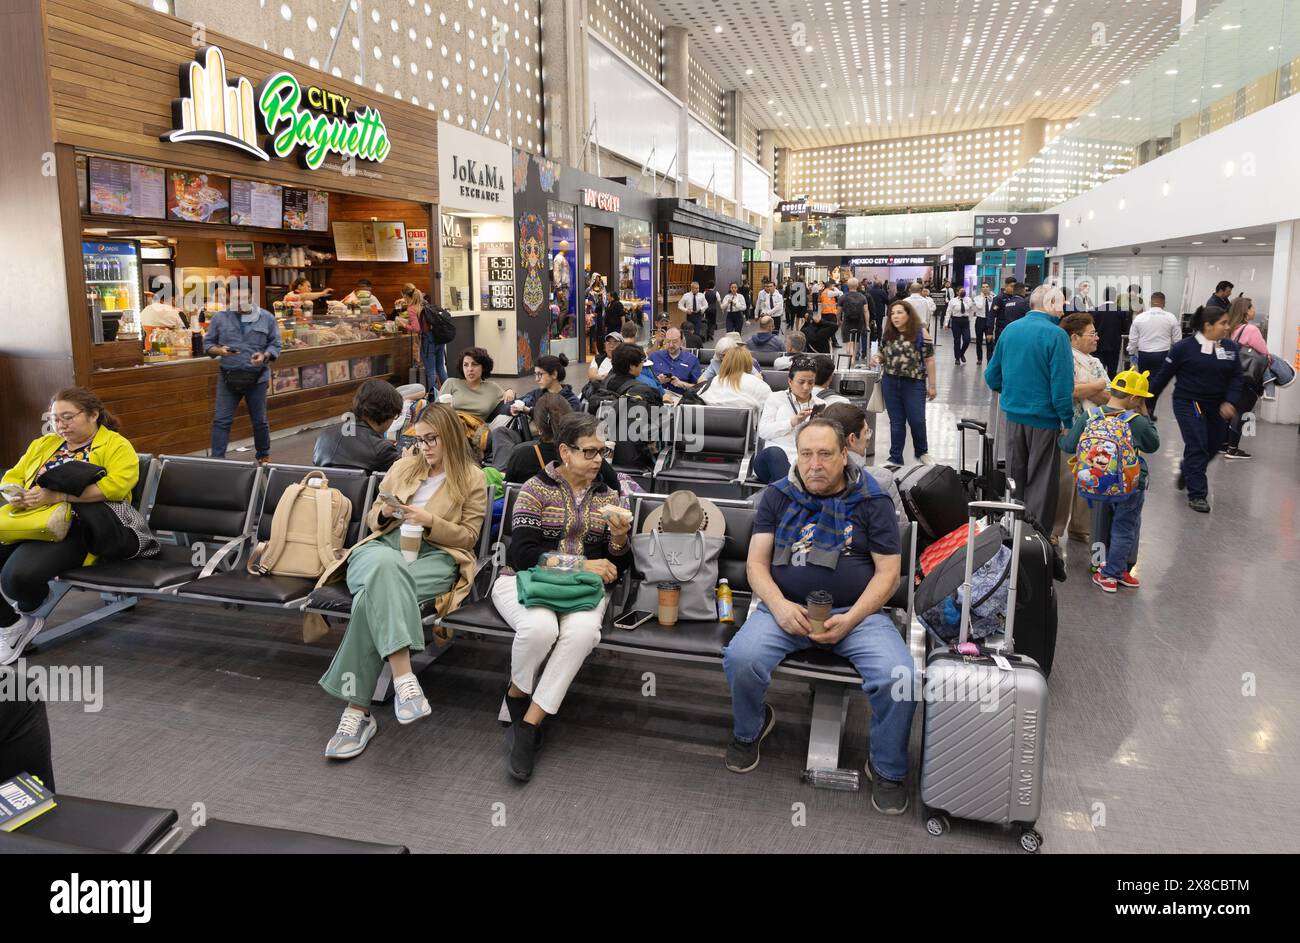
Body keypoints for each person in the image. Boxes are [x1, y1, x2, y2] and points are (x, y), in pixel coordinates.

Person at [722, 418, 911, 814]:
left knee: (899, 677)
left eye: (825, 454)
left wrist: (854, 616)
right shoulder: (777, 496)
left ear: (845, 455)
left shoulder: (873, 501)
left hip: (858, 613)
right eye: (806, 454)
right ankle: (750, 729)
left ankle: (888, 767)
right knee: (742, 658)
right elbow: (757, 565)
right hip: (786, 608)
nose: (814, 464)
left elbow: (888, 574)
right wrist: (778, 605)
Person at [318, 403, 486, 759]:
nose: (424, 447)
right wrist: (385, 511)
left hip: (436, 554)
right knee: (385, 566)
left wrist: (429, 521)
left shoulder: (472, 479)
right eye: (420, 440)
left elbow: (469, 537)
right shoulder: (404, 466)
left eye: (431, 439)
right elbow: (372, 518)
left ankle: (357, 712)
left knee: (370, 600)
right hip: (382, 547)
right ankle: (404, 680)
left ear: (450, 437)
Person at [493, 413, 632, 781]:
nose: (598, 459)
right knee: (540, 630)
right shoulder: (535, 489)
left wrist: (618, 540)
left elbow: (618, 565)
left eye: (602, 451)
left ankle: (528, 724)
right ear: (565, 452)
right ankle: (517, 691)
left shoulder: (610, 496)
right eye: (589, 451)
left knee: (584, 633)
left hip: (582, 593)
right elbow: (523, 554)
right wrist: (582, 564)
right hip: (526, 580)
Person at [0, 388, 139, 665]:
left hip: (81, 528)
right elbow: (13, 475)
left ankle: (28, 607)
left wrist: (58, 496)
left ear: (93, 414)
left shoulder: (115, 445)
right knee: (15, 576)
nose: (60, 425)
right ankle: (11, 624)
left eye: (68, 417)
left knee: (17, 578)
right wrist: (15, 493)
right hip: (32, 521)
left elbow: (115, 487)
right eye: (54, 418)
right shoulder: (43, 444)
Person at [1058, 370, 1159, 593]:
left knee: (1099, 525)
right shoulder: (1137, 421)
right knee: (1126, 527)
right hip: (1131, 485)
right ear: (1134, 398)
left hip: (1098, 481)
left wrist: (1061, 437)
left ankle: (1098, 564)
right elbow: (1153, 445)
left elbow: (1067, 446)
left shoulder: (1090, 416)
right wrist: (1145, 415)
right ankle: (1115, 572)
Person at [984, 285, 1075, 528]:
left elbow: (992, 376)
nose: (1063, 310)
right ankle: (1035, 538)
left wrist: (1014, 392)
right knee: (1042, 483)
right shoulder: (1057, 335)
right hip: (1045, 419)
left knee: (1015, 478)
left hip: (1013, 416)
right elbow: (1061, 385)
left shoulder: (1010, 331)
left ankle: (1012, 529)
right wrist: (1067, 420)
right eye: (1061, 304)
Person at [1148, 307, 1244, 513]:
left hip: (1217, 405)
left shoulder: (1230, 347)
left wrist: (1231, 401)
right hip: (1189, 402)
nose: (1227, 327)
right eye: (1223, 323)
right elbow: (1163, 377)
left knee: (1213, 445)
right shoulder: (1184, 348)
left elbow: (1237, 376)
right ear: (1208, 325)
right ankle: (1198, 494)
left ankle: (1187, 468)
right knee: (1198, 443)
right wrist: (1146, 402)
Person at [205, 281, 281, 464]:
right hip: (228, 377)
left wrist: (265, 355)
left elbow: (276, 344)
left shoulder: (267, 318)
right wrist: (219, 351)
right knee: (221, 421)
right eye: (235, 298)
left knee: (260, 421)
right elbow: (207, 344)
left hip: (257, 378)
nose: (238, 303)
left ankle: (263, 455)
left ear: (251, 297)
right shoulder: (219, 318)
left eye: (243, 298)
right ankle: (217, 460)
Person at [1053, 313, 1110, 546]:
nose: (1096, 338)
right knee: (1064, 481)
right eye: (1092, 334)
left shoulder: (1095, 363)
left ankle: (1081, 527)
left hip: (1094, 430)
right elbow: (1068, 391)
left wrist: (1088, 388)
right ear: (1074, 337)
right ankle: (1055, 529)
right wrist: (1096, 386)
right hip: (1068, 428)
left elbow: (1109, 397)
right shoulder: (1064, 359)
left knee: (1090, 477)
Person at [871, 300, 936, 470]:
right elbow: (883, 353)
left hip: (914, 383)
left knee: (917, 420)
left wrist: (932, 385)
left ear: (908, 314)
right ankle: (895, 458)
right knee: (896, 422)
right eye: (892, 313)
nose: (895, 316)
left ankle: (922, 452)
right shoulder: (888, 334)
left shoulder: (921, 332)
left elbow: (929, 360)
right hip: (890, 382)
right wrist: (877, 358)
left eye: (899, 312)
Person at [754, 356, 824, 483]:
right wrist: (792, 422)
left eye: (811, 382)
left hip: (804, 461)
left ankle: (789, 494)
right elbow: (763, 432)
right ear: (790, 382)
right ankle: (793, 490)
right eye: (801, 382)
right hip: (772, 457)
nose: (806, 387)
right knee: (775, 454)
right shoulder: (775, 399)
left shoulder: (820, 404)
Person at [313, 379, 403, 473]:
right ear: (388, 413)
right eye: (395, 416)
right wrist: (407, 459)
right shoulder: (383, 449)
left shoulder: (325, 435)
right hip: (360, 488)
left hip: (324, 486)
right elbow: (401, 478)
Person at [1126, 291, 1181, 421]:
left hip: (1144, 354)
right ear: (1164, 303)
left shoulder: (1140, 317)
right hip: (1161, 355)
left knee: (1143, 382)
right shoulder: (1171, 317)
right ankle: (1148, 411)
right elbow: (1178, 341)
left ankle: (1141, 409)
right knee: (1156, 384)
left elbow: (1133, 339)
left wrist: (1131, 352)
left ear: (1150, 302)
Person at [441, 347, 515, 423]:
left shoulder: (492, 388)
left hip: (477, 431)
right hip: (451, 427)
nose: (469, 369)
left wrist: (510, 391)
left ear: (483, 367)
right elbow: (435, 411)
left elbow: (509, 399)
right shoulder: (451, 383)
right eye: (465, 365)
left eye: (474, 364)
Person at [400, 285, 448, 392]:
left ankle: (433, 396)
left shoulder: (412, 308)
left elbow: (417, 328)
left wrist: (404, 324)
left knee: (431, 370)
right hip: (438, 337)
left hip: (428, 340)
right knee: (440, 367)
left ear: (406, 296)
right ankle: (448, 393)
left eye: (403, 297)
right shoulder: (425, 304)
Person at [703, 344, 773, 412]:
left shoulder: (716, 380)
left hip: (712, 421)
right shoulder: (757, 383)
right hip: (748, 423)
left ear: (726, 362)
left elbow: (705, 400)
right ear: (748, 362)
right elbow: (770, 405)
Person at [513, 355, 582, 414]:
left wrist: (529, 411)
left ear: (554, 374)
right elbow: (511, 405)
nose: (536, 379)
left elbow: (558, 421)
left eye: (540, 374)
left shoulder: (571, 401)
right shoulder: (537, 394)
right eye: (535, 374)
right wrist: (511, 406)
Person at [650, 327, 702, 393]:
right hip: (657, 397)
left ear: (681, 341)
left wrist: (682, 384)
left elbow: (699, 388)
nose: (671, 345)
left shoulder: (692, 360)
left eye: (675, 342)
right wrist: (657, 381)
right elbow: (643, 380)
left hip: (680, 398)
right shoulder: (655, 356)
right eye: (668, 341)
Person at [1092, 287, 1130, 378]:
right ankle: (1111, 390)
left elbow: (1093, 328)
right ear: (1115, 297)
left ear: (1103, 297)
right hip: (1114, 345)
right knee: (1112, 371)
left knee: (1099, 371)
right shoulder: (1121, 311)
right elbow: (1125, 329)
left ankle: (1099, 389)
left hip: (1098, 345)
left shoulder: (1095, 311)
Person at [838, 278, 868, 362]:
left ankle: (851, 359)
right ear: (858, 285)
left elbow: (838, 311)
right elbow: (866, 311)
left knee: (848, 342)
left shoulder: (843, 297)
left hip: (847, 321)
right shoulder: (862, 297)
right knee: (855, 342)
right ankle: (853, 358)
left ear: (847, 285)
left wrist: (838, 321)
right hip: (859, 321)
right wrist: (867, 324)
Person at [944, 287, 972, 365]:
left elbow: (970, 309)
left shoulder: (968, 299)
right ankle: (957, 358)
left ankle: (961, 353)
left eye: (964, 291)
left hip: (965, 321)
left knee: (967, 339)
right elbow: (948, 312)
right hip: (956, 321)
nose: (963, 292)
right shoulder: (952, 301)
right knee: (957, 340)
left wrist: (970, 319)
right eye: (961, 291)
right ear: (957, 292)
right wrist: (946, 323)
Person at [971, 282, 993, 364]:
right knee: (979, 341)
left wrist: (989, 297)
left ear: (989, 288)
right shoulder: (977, 298)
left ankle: (989, 359)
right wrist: (984, 298)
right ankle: (979, 358)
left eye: (987, 287)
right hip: (980, 320)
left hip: (989, 320)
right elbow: (979, 306)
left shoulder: (993, 297)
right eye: (983, 287)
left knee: (989, 341)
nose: (985, 288)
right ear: (981, 289)